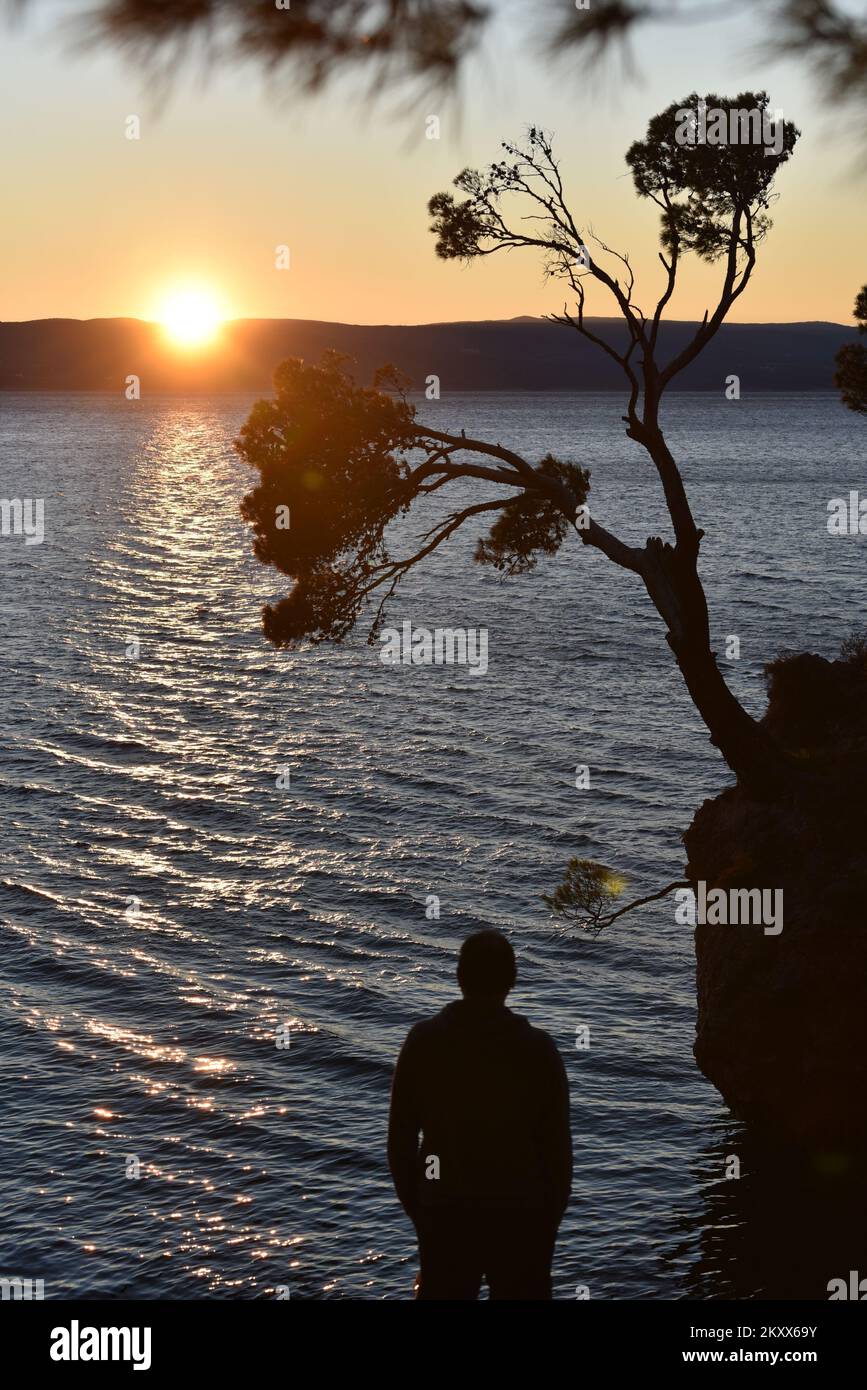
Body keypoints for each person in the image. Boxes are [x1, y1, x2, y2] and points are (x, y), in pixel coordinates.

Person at [387, 929, 572, 1300]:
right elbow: (558, 1155)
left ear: (459, 977)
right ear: (512, 980)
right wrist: (546, 1224)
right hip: (522, 1218)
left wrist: (422, 1211)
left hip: (446, 1216)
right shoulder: (539, 1050)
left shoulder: (424, 1041)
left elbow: (400, 1142)